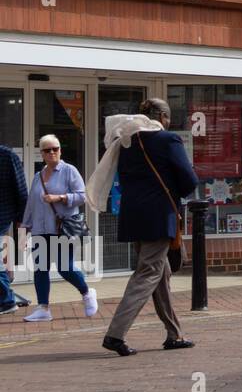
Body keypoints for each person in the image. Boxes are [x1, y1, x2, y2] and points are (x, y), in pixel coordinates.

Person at [100, 99, 197, 355]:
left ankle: (174, 334)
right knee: (148, 274)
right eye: (168, 117)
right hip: (158, 217)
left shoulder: (126, 143)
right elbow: (189, 181)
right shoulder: (168, 140)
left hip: (133, 216)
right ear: (163, 116)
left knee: (160, 273)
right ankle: (115, 334)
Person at [20, 135, 95, 323]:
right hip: (40, 229)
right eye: (47, 150)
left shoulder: (69, 171)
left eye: (55, 148)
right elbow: (31, 204)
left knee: (65, 267)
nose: (52, 152)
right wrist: (25, 227)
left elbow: (82, 196)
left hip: (61, 229)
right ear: (42, 154)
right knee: (40, 268)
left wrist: (60, 197)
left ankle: (87, 293)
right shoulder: (38, 176)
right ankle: (43, 308)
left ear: (60, 150)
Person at [0, 144, 30, 315]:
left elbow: (21, 190)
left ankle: (7, 300)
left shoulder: (7, 156)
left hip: (3, 214)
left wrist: (21, 220)